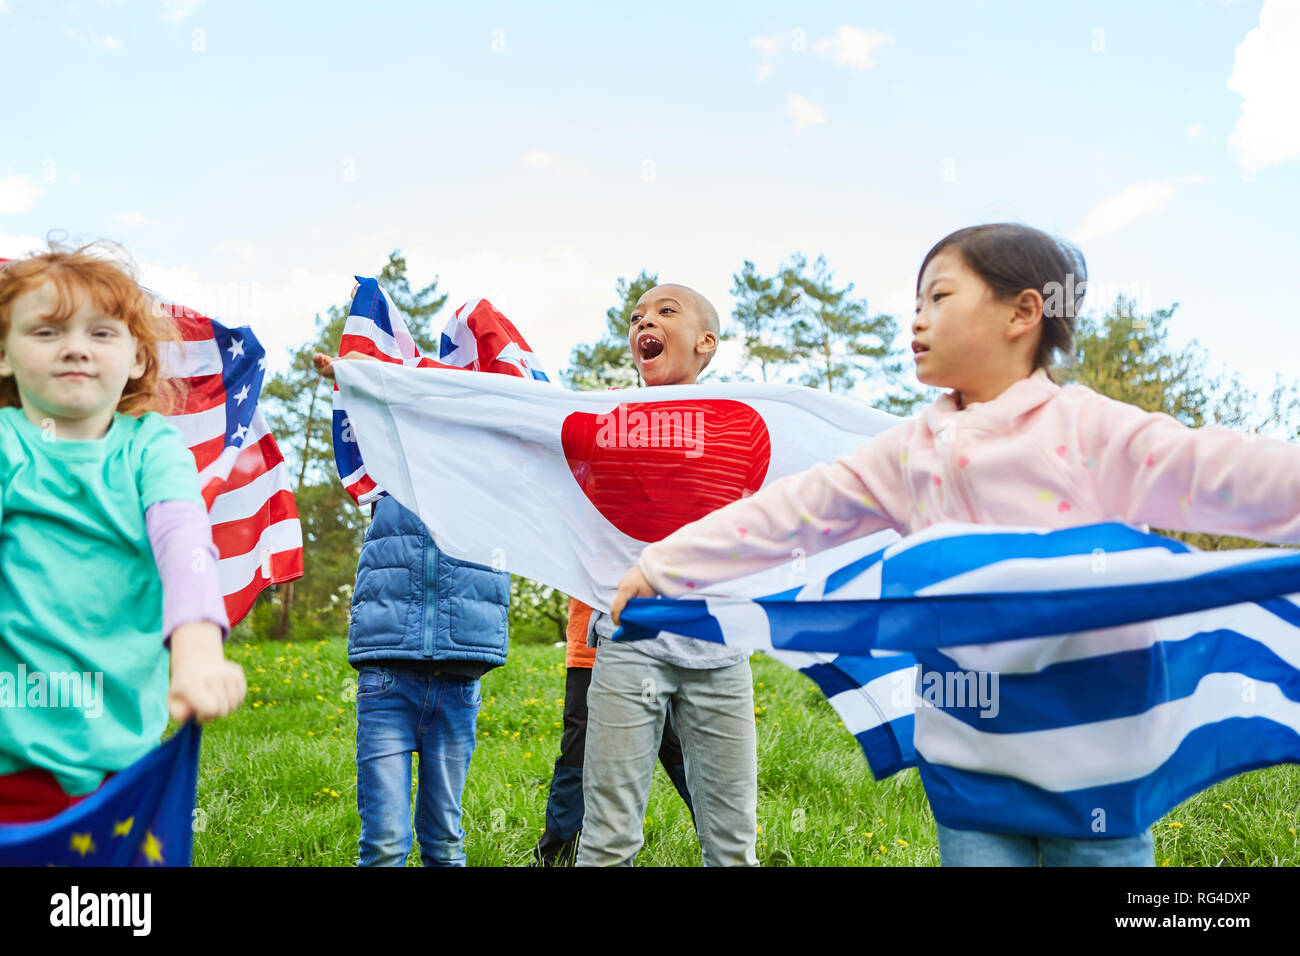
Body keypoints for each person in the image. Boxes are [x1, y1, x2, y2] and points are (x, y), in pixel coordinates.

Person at [611, 223, 1300, 867]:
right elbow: (790, 513)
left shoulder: (1090, 432)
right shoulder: (908, 453)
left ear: (1023, 313)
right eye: (915, 300)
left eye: (939, 296)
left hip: (1097, 760)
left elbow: (1220, 469)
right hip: (970, 762)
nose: (915, 316)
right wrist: (663, 564)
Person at [0, 246, 244, 823]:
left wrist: (197, 650)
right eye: (46, 331)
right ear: (4, 355)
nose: (76, 346)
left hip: (123, 765)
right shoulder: (7, 443)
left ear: (137, 358)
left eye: (101, 332)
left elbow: (182, 538)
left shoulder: (149, 446)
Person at [575, 283, 759, 867]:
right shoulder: (610, 419)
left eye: (664, 312)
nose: (642, 322)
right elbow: (513, 423)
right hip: (630, 642)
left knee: (733, 844)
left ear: (706, 342)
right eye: (635, 317)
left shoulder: (741, 421)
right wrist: (380, 385)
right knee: (608, 839)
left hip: (720, 647)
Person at [317, 325, 510, 868]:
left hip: (458, 679)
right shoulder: (385, 473)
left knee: (445, 843)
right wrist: (350, 378)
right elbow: (364, 413)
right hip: (387, 679)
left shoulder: (489, 484)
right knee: (383, 845)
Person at [531, 596, 694, 866]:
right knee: (579, 754)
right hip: (593, 649)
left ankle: (723, 845)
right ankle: (557, 858)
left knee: (687, 754)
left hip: (669, 644)